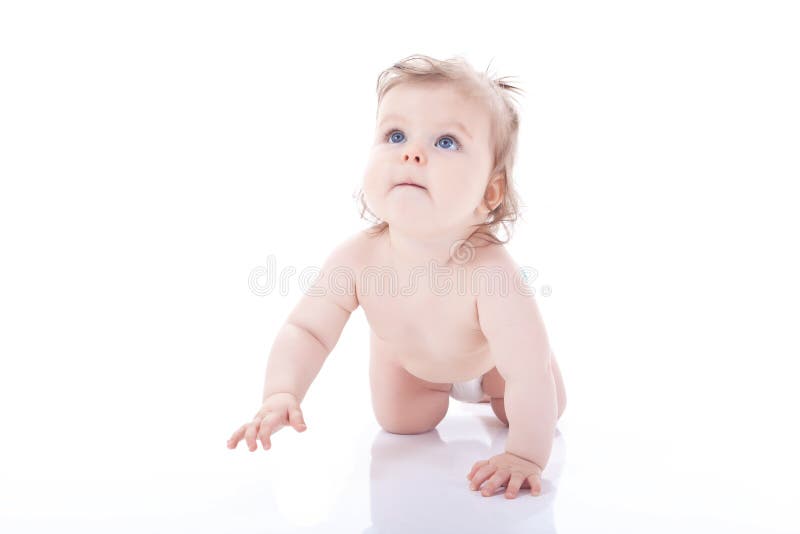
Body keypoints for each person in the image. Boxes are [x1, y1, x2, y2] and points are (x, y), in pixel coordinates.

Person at [227, 54, 567, 500]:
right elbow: (307, 329)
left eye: (446, 142)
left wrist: (524, 455)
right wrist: (281, 392)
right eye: (395, 134)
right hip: (410, 366)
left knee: (541, 402)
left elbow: (527, 369)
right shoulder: (358, 258)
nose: (412, 153)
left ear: (490, 192)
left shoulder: (490, 271)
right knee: (403, 423)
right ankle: (429, 386)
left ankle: (489, 391)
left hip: (493, 363)